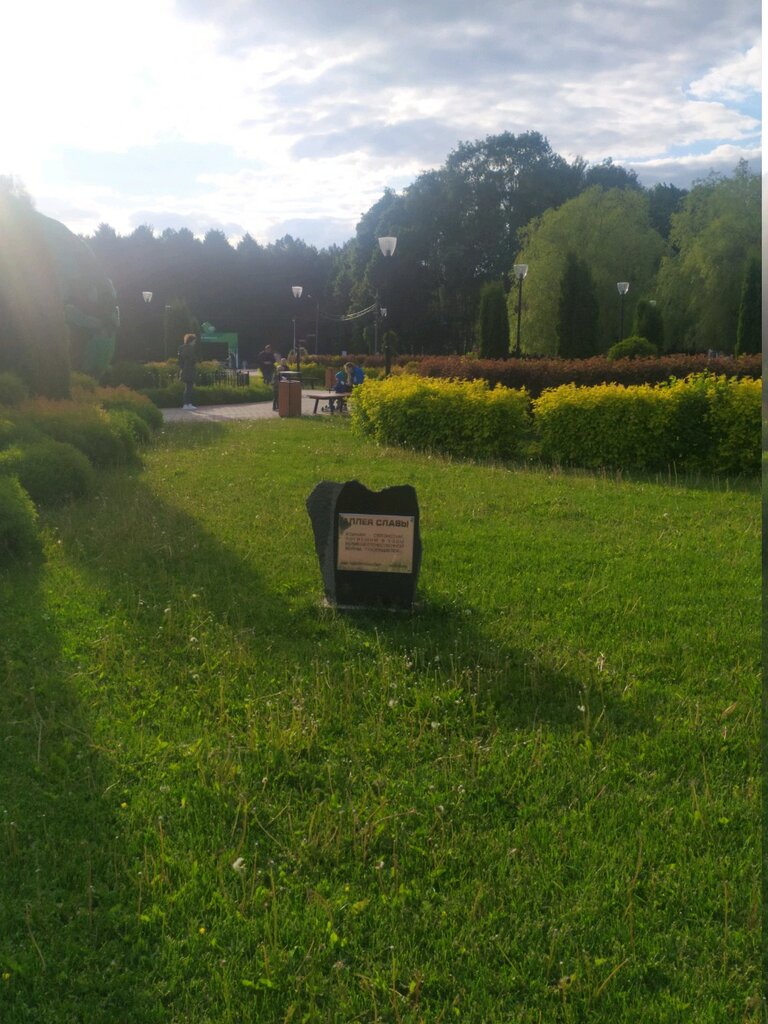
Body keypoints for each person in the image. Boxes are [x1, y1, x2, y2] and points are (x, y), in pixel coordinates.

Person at [178, 333, 197, 410]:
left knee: (187, 387)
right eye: (194, 341)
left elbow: (180, 361)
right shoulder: (190, 349)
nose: (195, 342)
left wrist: (182, 368)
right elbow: (193, 360)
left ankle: (187, 404)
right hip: (189, 370)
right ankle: (187, 404)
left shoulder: (182, 348)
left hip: (184, 370)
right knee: (189, 388)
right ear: (191, 341)